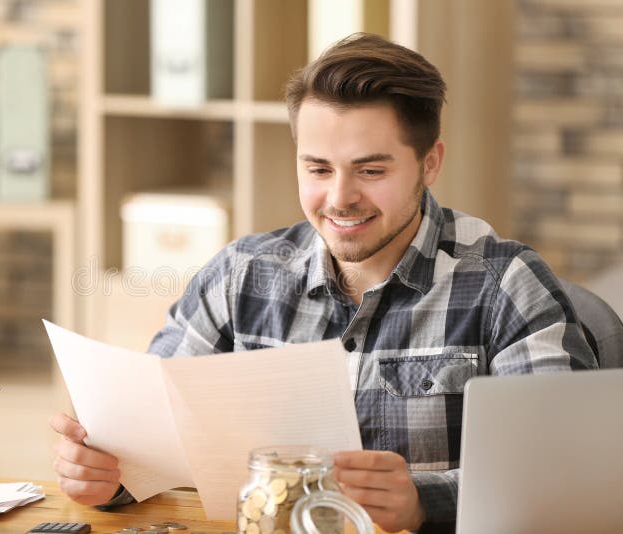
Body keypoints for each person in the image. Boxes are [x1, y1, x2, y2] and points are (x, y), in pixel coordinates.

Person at [50, 33, 597, 533]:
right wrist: (110, 478)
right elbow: (150, 449)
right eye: (317, 169)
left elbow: (566, 478)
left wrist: (424, 502)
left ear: (430, 163)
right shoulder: (241, 277)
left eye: (371, 171)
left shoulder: (507, 285)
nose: (339, 198)